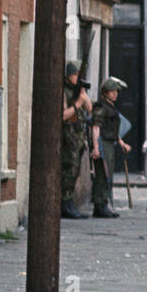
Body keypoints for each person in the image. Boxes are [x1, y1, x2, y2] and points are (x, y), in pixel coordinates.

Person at [91, 77, 131, 218]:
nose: (115, 94)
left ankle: (104, 203)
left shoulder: (111, 107)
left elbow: (113, 130)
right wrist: (96, 147)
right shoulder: (101, 107)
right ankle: (99, 205)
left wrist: (122, 143)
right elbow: (96, 127)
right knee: (102, 174)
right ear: (105, 92)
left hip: (110, 142)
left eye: (116, 92)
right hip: (103, 142)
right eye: (112, 91)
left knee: (108, 174)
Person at [61, 60, 92, 219]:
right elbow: (64, 115)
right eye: (76, 75)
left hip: (78, 138)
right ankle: (64, 203)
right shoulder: (64, 92)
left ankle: (69, 201)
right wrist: (77, 103)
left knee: (75, 171)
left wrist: (83, 96)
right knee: (67, 170)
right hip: (67, 138)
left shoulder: (78, 91)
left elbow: (90, 109)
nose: (78, 78)